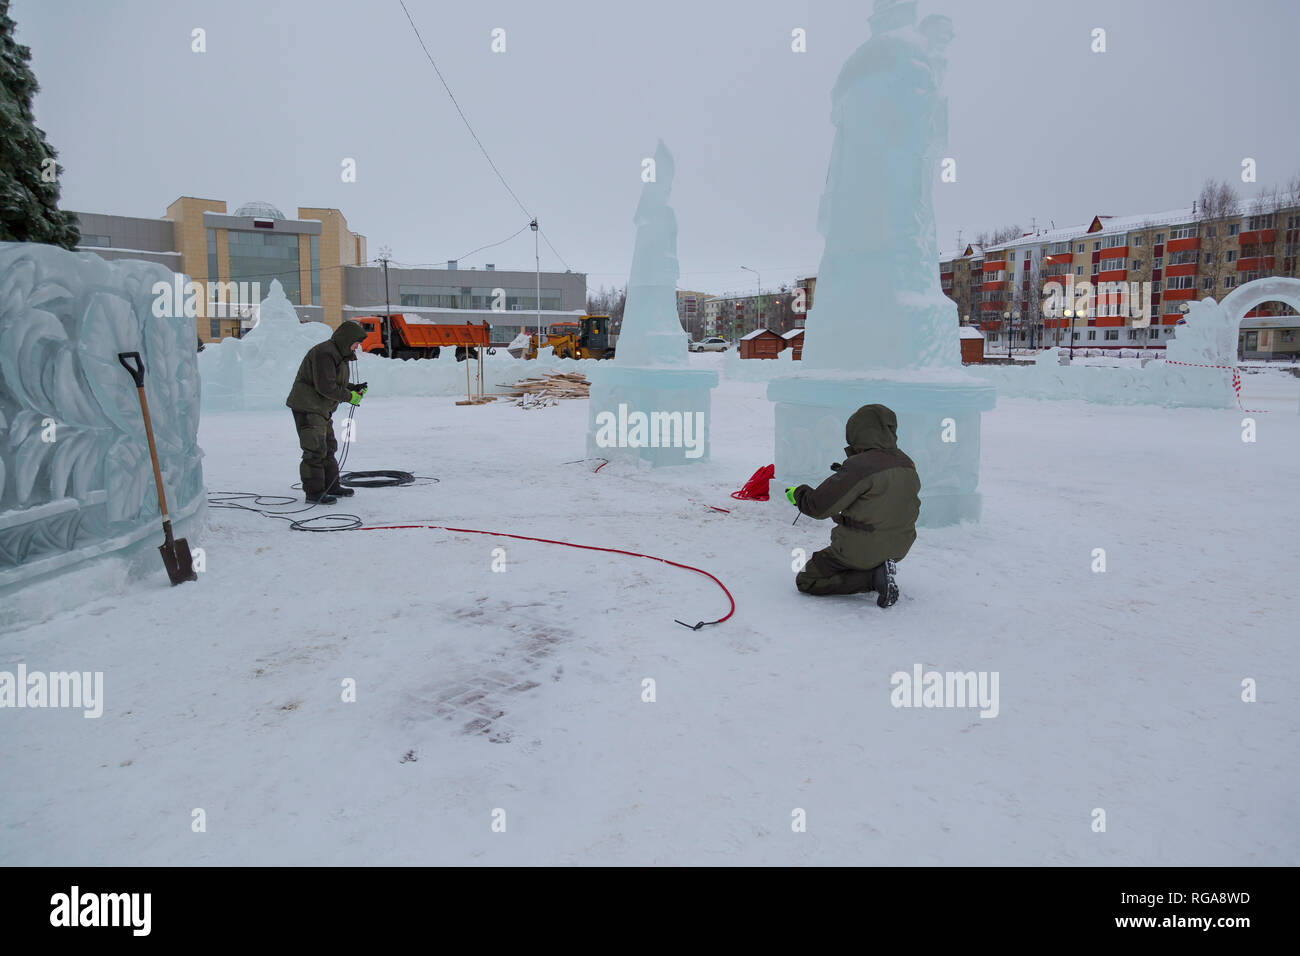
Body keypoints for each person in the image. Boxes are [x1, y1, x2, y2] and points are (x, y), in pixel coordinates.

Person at [785, 403, 920, 606]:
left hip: (860, 549)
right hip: (900, 547)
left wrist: (799, 494)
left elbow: (818, 506)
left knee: (807, 578)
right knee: (866, 550)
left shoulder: (860, 467)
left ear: (857, 431)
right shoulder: (906, 462)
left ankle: (873, 577)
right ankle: (879, 569)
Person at [285, 320, 369, 504]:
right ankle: (314, 492)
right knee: (315, 449)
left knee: (329, 447)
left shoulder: (339, 354)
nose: (357, 346)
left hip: (320, 409)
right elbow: (326, 386)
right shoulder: (324, 353)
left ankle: (331, 486)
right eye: (356, 342)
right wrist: (350, 396)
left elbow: (335, 382)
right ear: (347, 339)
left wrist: (353, 388)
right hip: (308, 407)